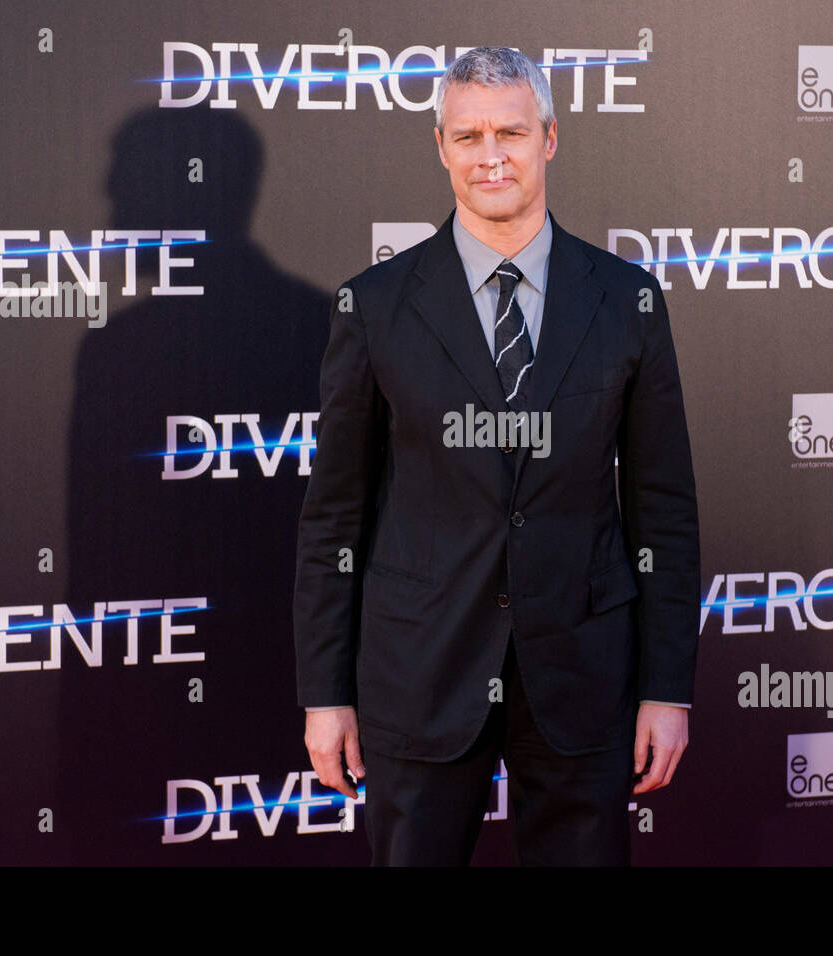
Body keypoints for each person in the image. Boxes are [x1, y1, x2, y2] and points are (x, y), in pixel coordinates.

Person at [293, 46, 700, 866]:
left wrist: (667, 687)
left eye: (510, 133)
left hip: (583, 679)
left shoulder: (628, 302)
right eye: (469, 135)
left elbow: (663, 509)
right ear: (440, 145)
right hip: (421, 674)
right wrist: (325, 695)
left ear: (549, 138)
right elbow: (333, 514)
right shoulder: (374, 307)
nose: (491, 156)